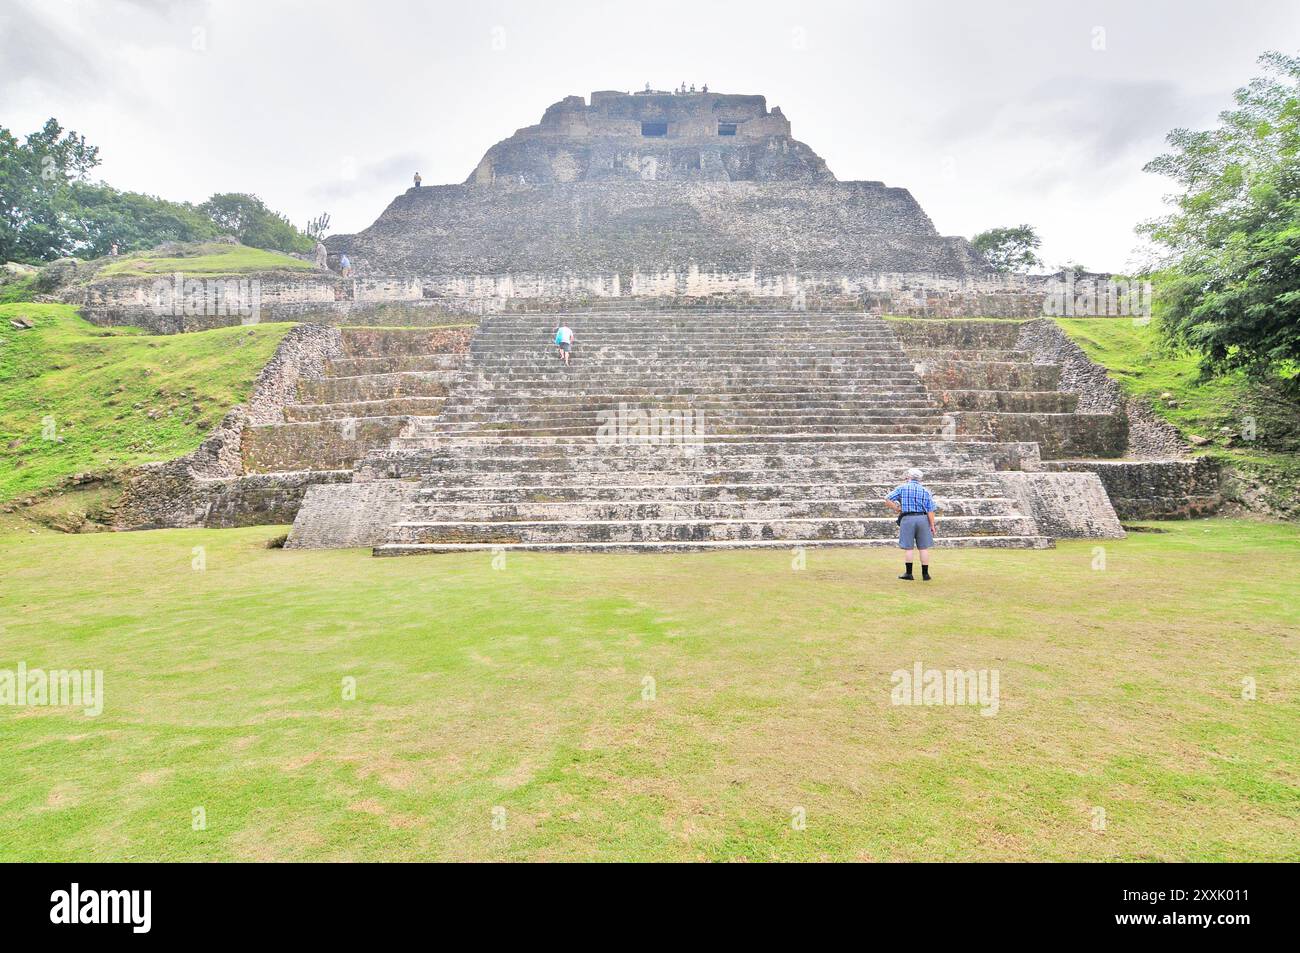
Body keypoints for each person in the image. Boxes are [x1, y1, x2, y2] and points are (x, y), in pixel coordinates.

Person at [884, 468, 938, 581]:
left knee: (908, 548)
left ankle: (909, 573)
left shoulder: (902, 488)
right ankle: (925, 574)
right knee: (923, 548)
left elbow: (887, 499)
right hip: (923, 519)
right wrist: (932, 525)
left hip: (908, 518)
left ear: (909, 476)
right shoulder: (925, 491)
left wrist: (897, 508)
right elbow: (930, 510)